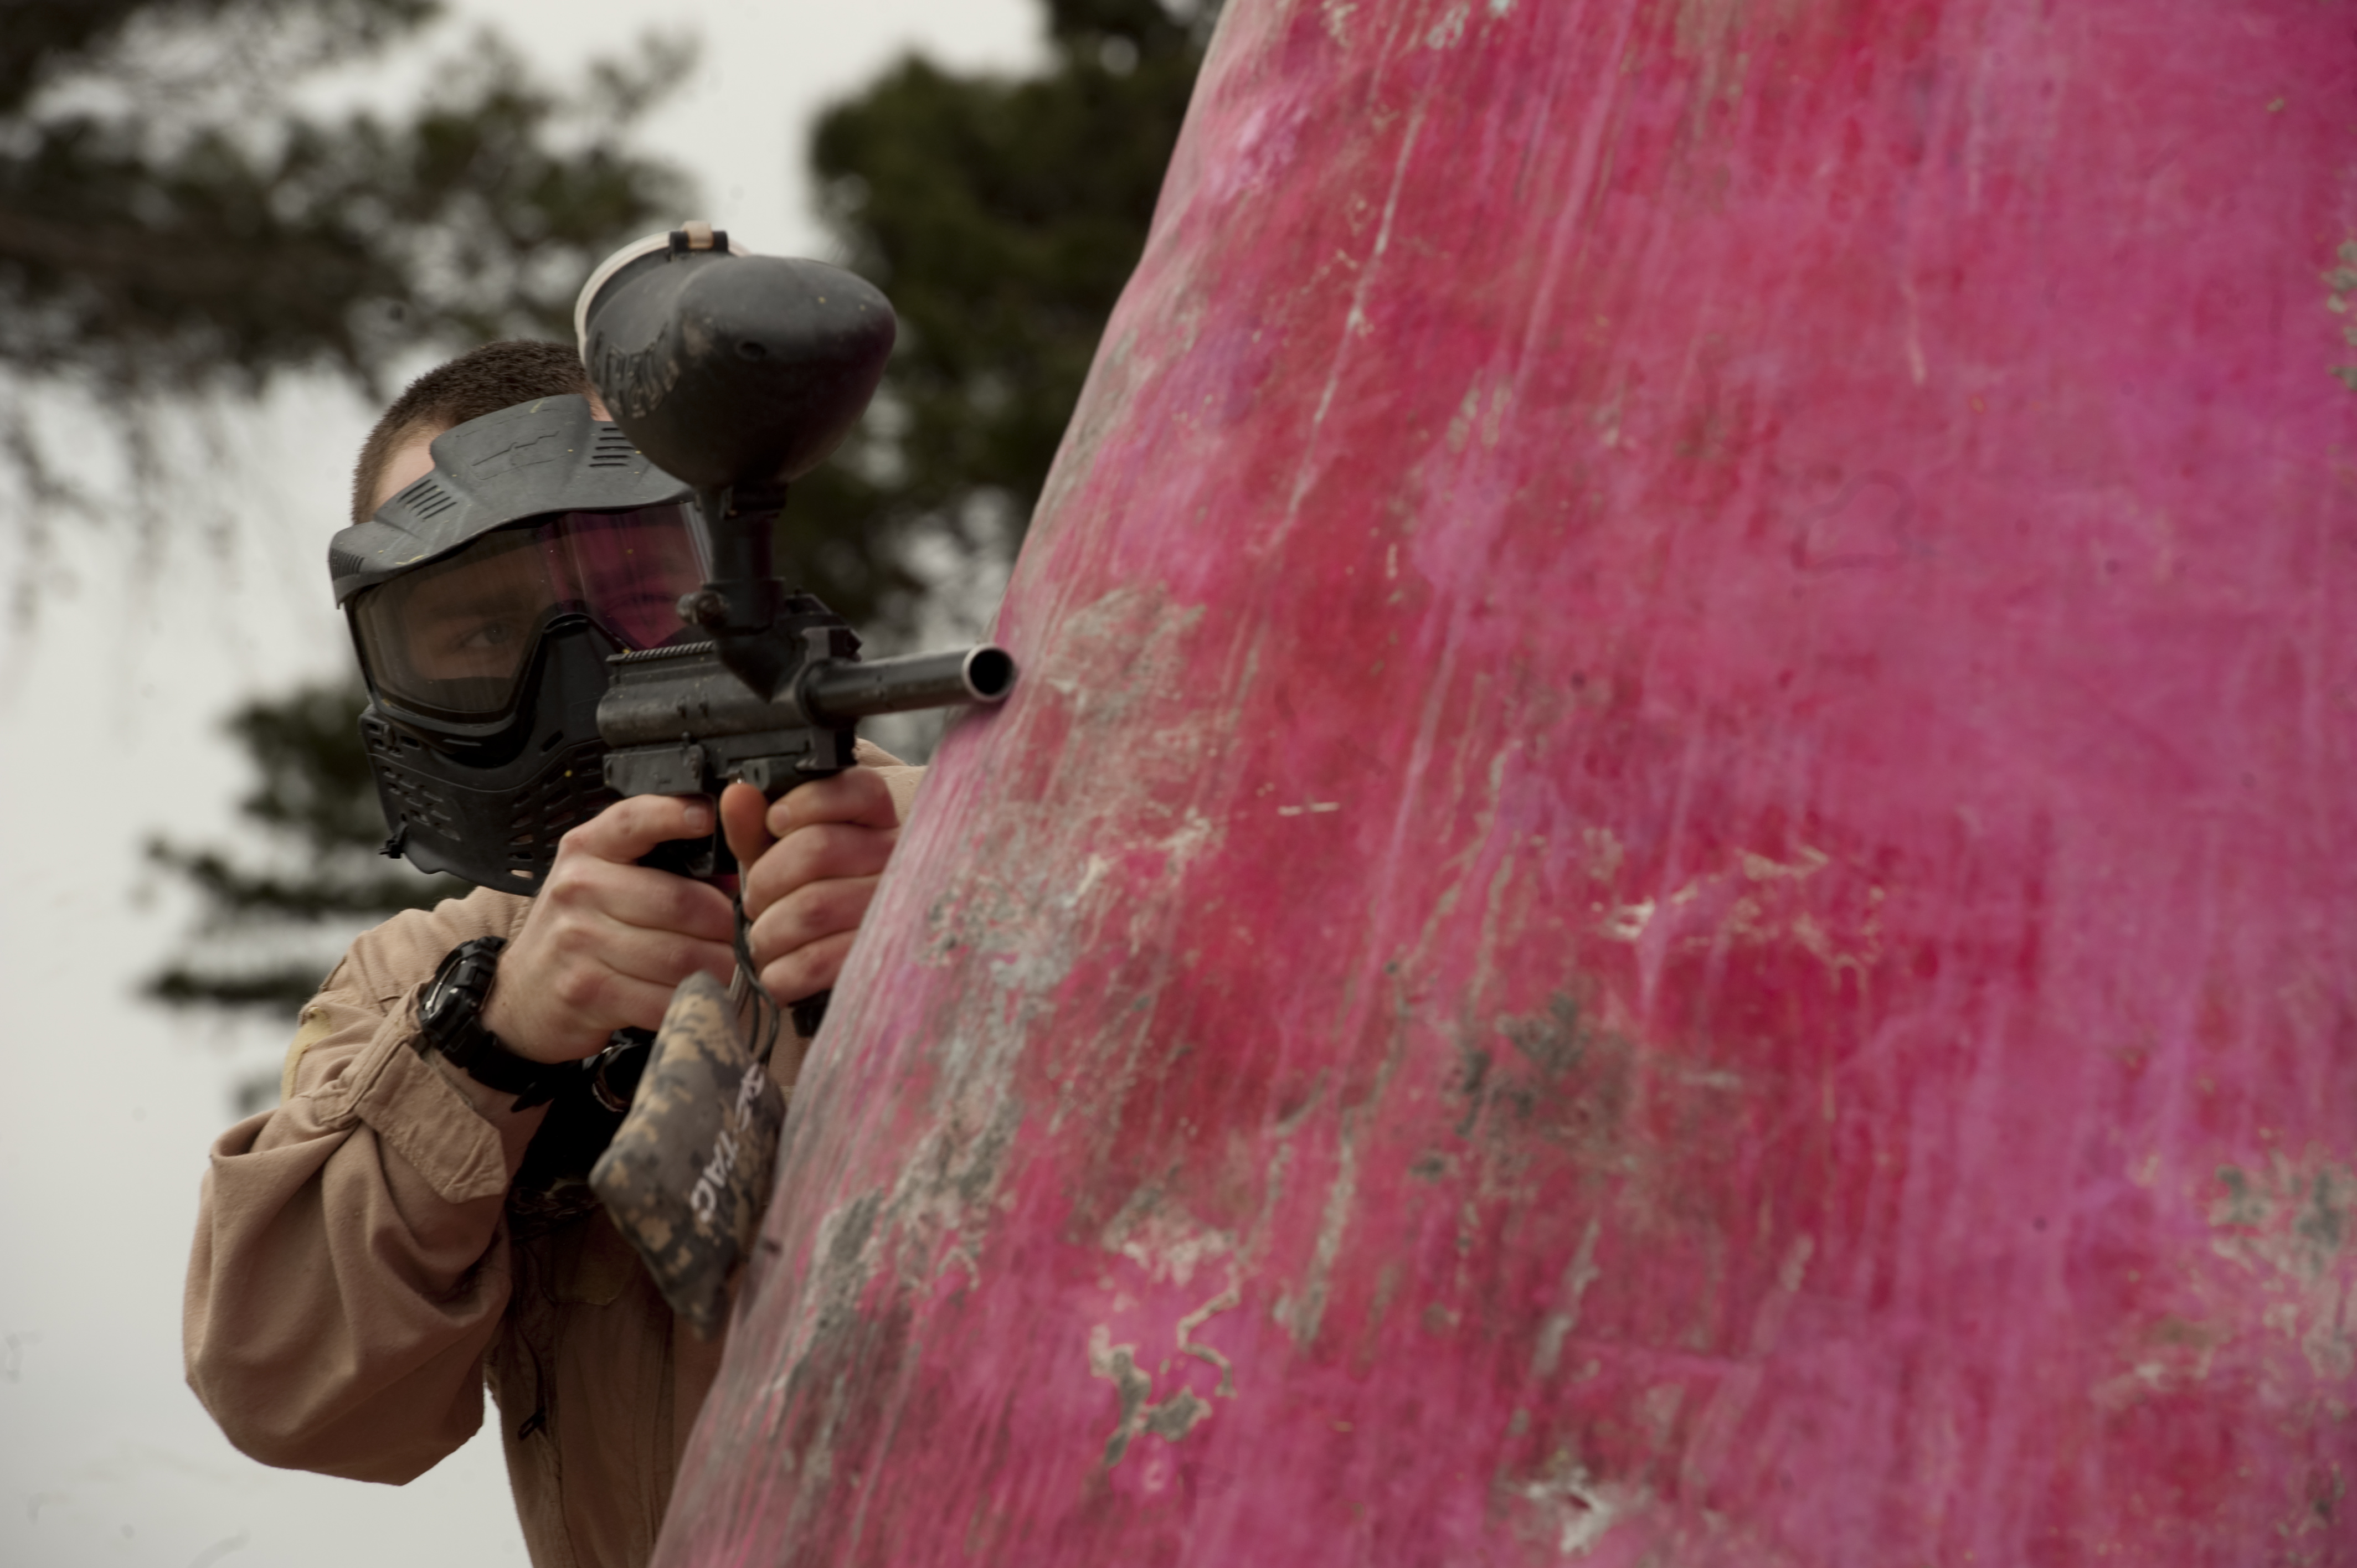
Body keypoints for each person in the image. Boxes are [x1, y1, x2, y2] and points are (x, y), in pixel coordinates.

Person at [183, 341, 917, 1568]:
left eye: (619, 584)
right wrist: (493, 1042)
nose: (569, 665)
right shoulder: (416, 984)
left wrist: (965, 942)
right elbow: (287, 1385)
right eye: (478, 627)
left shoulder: (970, 851)